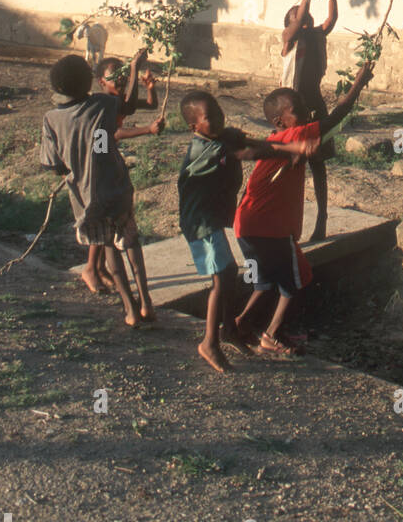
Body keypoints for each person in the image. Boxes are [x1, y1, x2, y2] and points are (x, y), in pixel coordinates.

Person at [233, 60, 373, 354]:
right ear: (279, 122)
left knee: (267, 282)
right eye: (297, 110)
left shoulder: (280, 139)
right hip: (270, 229)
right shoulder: (292, 137)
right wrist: (358, 83)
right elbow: (337, 115)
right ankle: (271, 334)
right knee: (295, 282)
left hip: (250, 225)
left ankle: (239, 324)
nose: (307, 114)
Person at [178, 89, 318, 373]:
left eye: (218, 111)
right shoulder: (204, 149)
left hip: (213, 218)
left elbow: (252, 141)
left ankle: (229, 329)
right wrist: (294, 148)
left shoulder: (222, 136)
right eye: (209, 117)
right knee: (223, 277)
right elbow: (250, 151)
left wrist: (295, 149)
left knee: (229, 275)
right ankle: (210, 343)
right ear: (194, 127)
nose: (218, 119)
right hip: (200, 221)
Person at [41, 54, 148, 327]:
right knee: (131, 242)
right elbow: (130, 106)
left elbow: (52, 164)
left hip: (87, 199)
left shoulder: (52, 119)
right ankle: (147, 302)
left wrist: (74, 169)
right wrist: (134, 69)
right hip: (117, 188)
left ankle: (130, 309)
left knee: (110, 247)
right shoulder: (102, 104)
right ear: (91, 82)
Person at [88, 48, 165, 308]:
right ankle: (91, 268)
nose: (121, 83)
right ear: (102, 83)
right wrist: (133, 68)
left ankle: (98, 268)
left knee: (105, 217)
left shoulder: (118, 100)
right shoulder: (102, 103)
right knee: (104, 217)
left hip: (107, 159)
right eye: (117, 79)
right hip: (98, 162)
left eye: (123, 78)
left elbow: (147, 104)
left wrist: (150, 87)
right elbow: (116, 134)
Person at [280, 0, 339, 242]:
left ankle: (321, 220)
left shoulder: (315, 36)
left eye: (304, 15)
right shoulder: (289, 40)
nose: (304, 17)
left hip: (314, 104)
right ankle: (286, 224)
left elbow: (332, 18)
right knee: (290, 167)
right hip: (292, 110)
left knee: (318, 165)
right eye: (297, 15)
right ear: (289, 23)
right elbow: (302, 15)